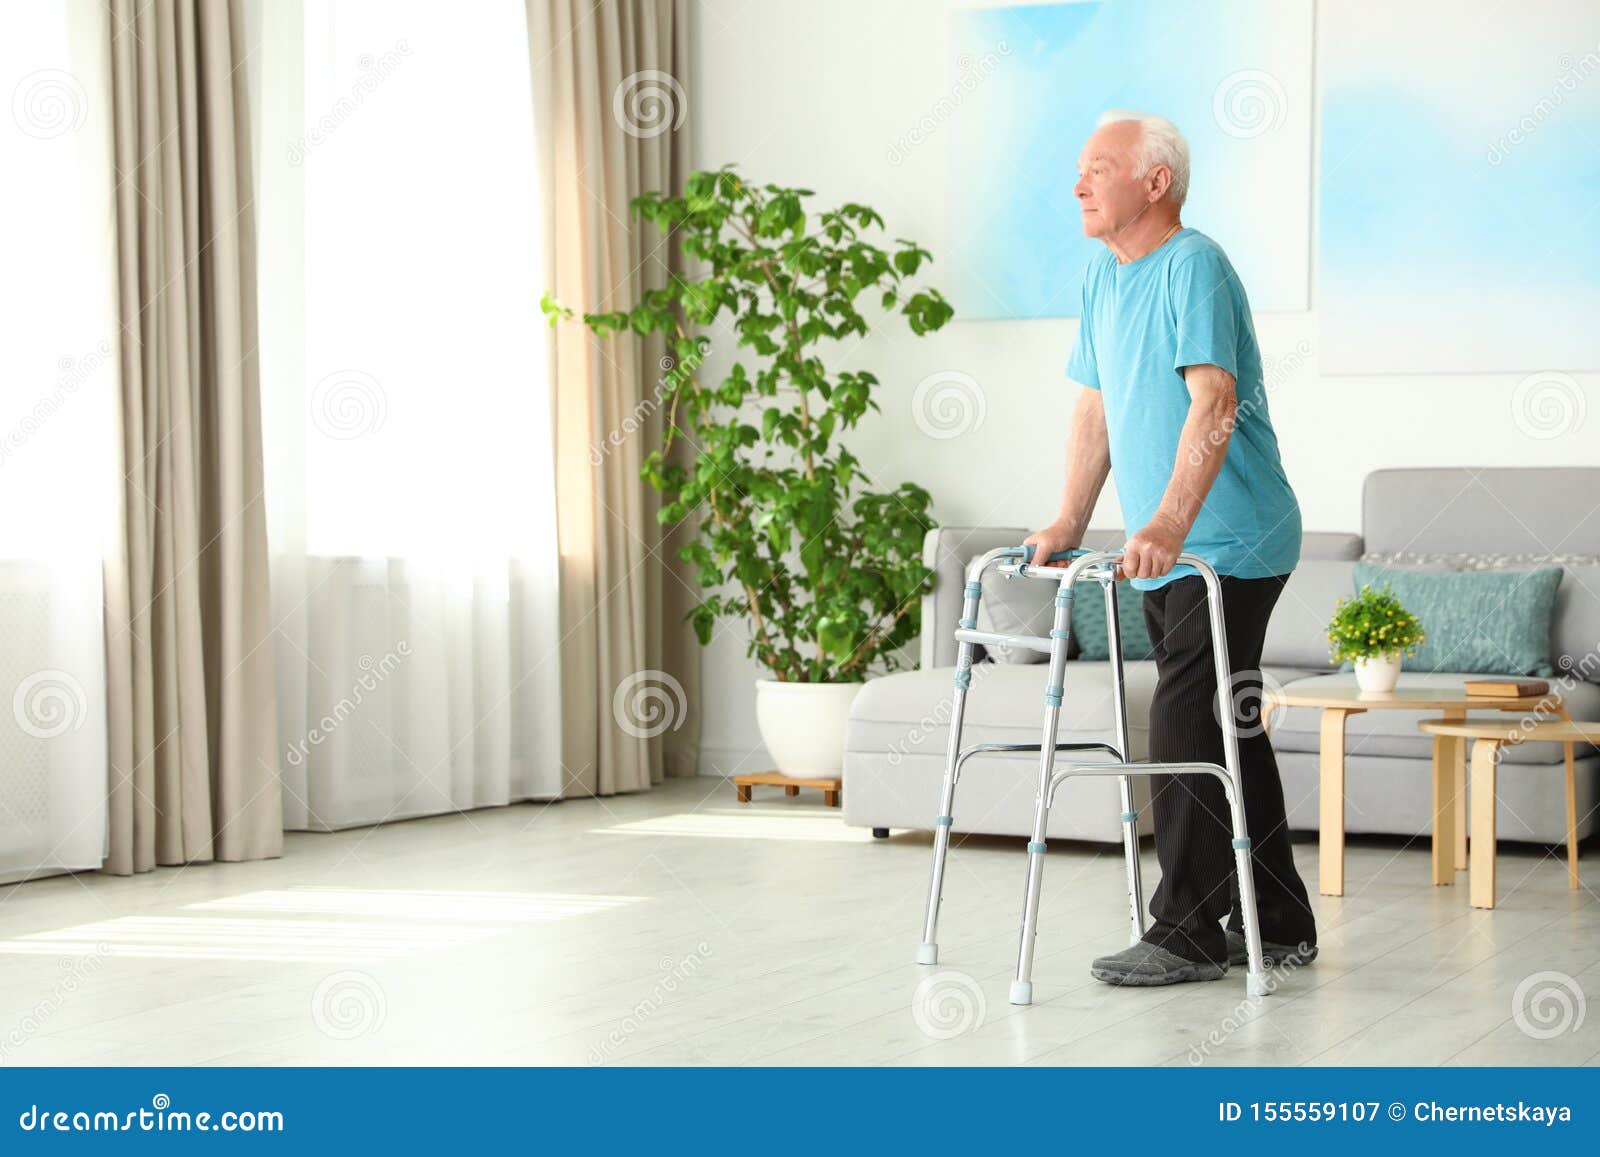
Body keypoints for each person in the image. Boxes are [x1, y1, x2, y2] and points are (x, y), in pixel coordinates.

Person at [1023, 110, 1317, 986]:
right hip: (1186, 542)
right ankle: (1278, 921)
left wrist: (1164, 526)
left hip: (1232, 538)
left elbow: (1214, 400)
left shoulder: (1195, 265)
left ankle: (1187, 929)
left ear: (1155, 183)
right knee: (1231, 723)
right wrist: (1072, 520)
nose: (1078, 184)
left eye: (1099, 168)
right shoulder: (1104, 276)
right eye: (1079, 168)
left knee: (1186, 708)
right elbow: (1097, 408)